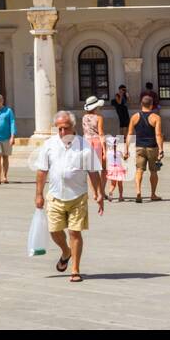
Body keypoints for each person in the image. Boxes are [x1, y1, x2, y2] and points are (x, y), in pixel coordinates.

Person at [33, 111, 104, 283]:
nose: (63, 132)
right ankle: (66, 251)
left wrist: (99, 193)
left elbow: (93, 172)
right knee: (55, 231)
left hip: (77, 196)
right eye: (59, 129)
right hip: (55, 196)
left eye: (66, 128)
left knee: (74, 232)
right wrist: (39, 195)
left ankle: (75, 269)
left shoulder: (84, 145)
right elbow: (42, 171)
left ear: (73, 127)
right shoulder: (49, 145)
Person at [128, 94, 164, 203]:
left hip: (139, 147)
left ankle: (138, 192)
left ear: (141, 104)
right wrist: (161, 149)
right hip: (152, 147)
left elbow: (129, 134)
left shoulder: (134, 117)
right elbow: (158, 135)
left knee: (139, 170)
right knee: (153, 171)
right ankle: (153, 194)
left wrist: (126, 149)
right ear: (152, 105)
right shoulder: (156, 117)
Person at [104, 132, 127, 202]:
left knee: (113, 184)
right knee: (120, 184)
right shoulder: (119, 152)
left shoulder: (108, 153)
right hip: (119, 169)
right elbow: (125, 158)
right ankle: (120, 196)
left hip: (111, 169)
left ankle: (110, 192)